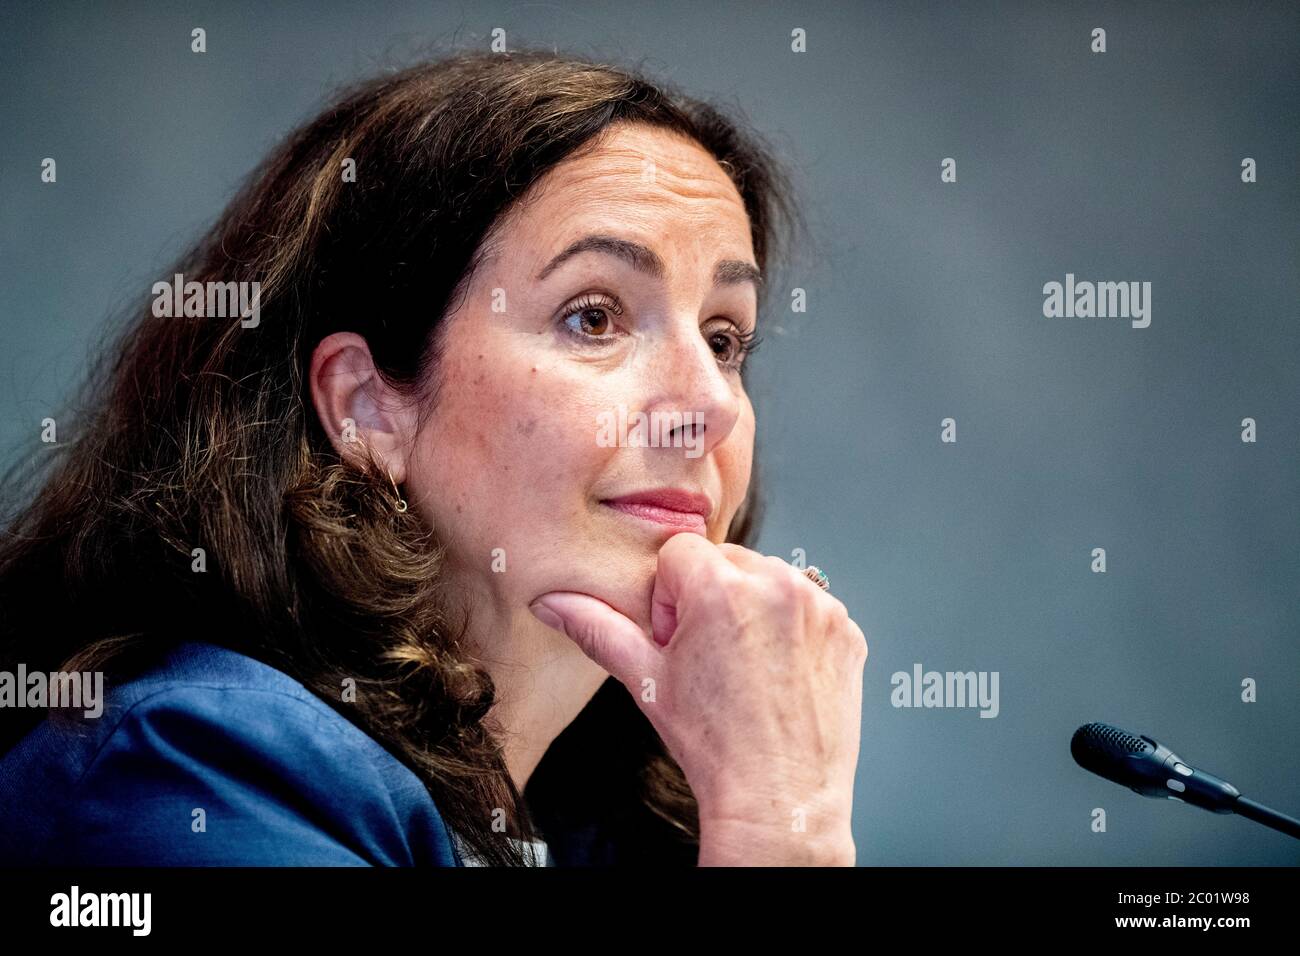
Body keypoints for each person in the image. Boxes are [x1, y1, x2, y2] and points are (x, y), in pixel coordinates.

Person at [0, 49, 868, 866]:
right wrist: (779, 829)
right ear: (367, 407)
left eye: (725, 338)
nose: (710, 409)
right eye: (593, 317)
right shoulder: (196, 767)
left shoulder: (592, 826)